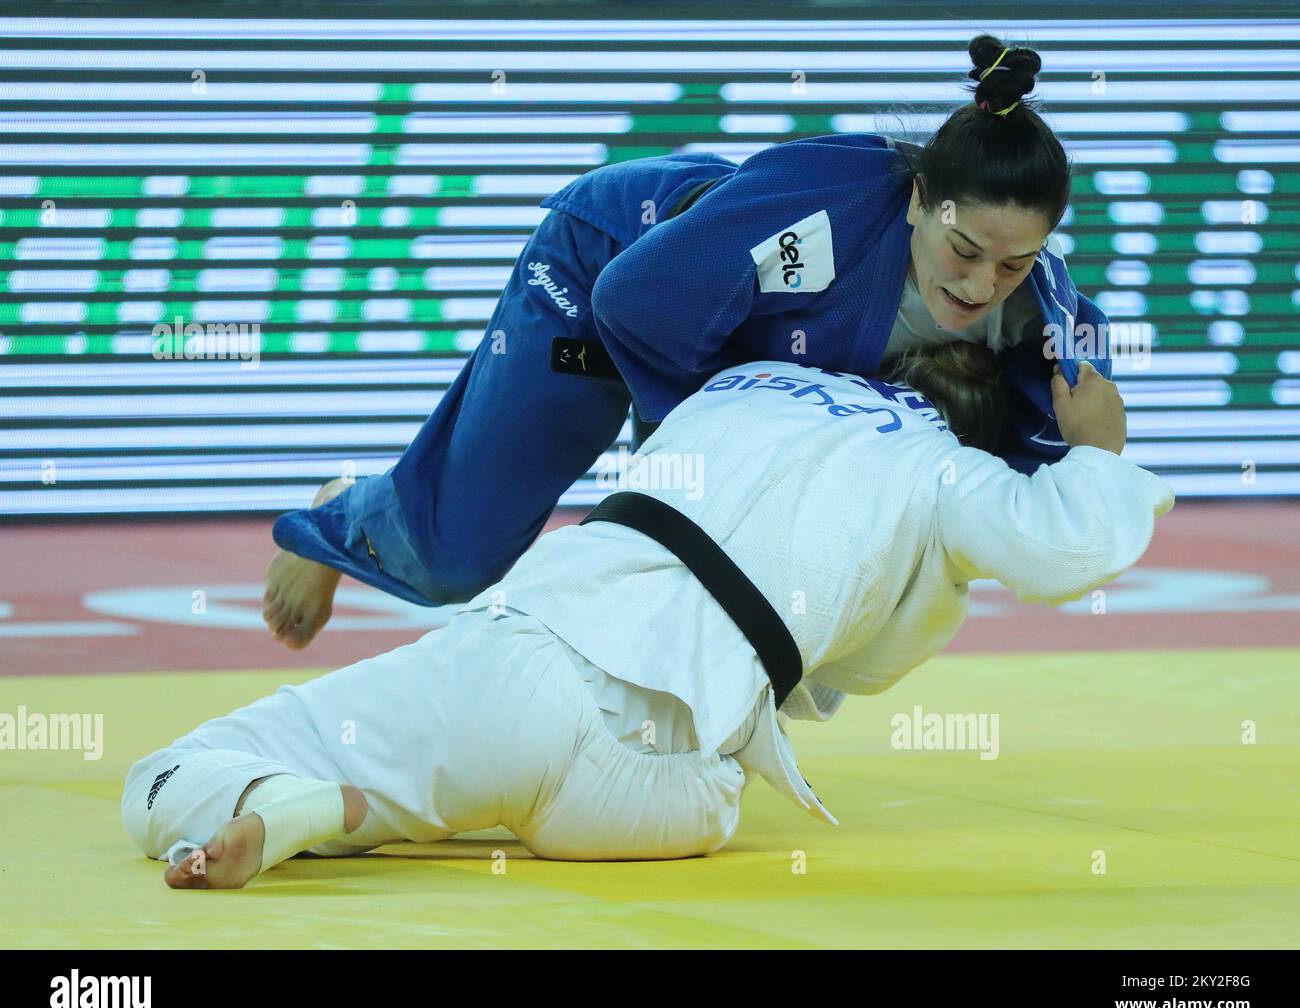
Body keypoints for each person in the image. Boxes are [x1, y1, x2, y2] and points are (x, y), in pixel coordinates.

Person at [123, 340, 1173, 889]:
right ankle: (398, 809)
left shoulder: (749, 381)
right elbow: (1066, 548)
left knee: (164, 780)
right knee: (723, 787)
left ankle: (329, 810)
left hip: (523, 657)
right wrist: (1100, 449)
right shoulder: (953, 480)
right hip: (660, 771)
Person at [262, 34, 1108, 649]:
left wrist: (1094, 445)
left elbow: (1075, 447)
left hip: (726, 347)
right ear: (921, 199)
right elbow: (634, 301)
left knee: (724, 573)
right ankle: (348, 511)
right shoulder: (823, 209)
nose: (979, 284)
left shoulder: (1035, 306)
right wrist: (700, 448)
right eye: (964, 251)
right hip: (601, 280)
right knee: (453, 562)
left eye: (1013, 262)